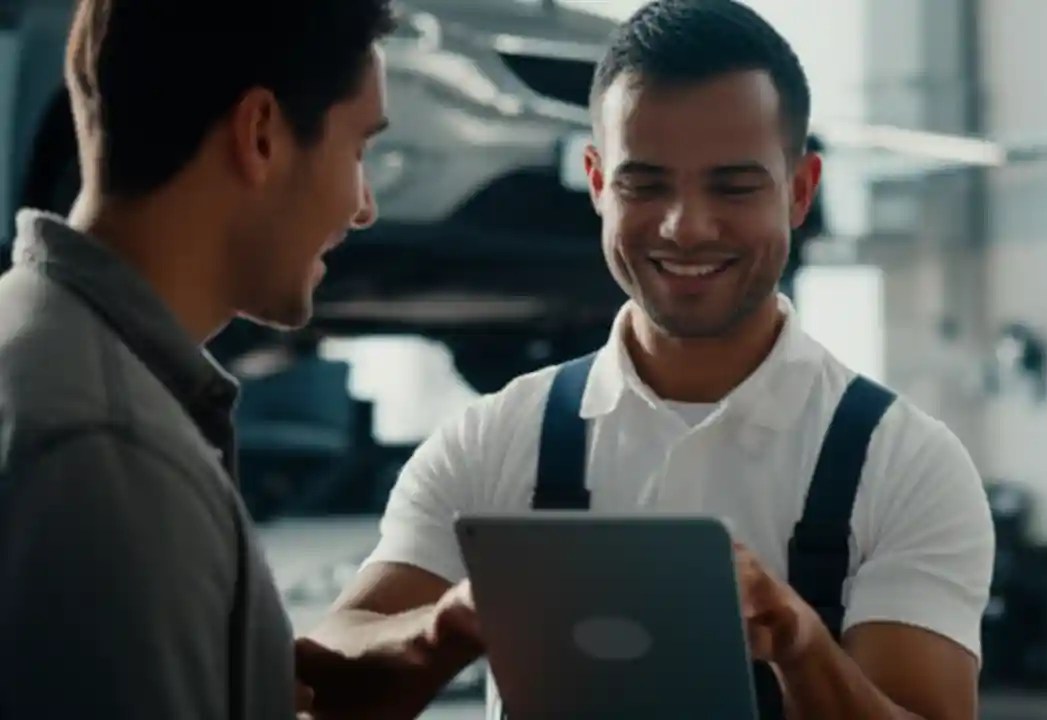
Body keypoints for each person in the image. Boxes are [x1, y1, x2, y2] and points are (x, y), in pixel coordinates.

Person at [309, 0, 995, 718]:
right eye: (645, 185)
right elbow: (322, 680)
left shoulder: (904, 465)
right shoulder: (495, 441)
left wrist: (799, 642)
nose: (685, 226)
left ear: (799, 191)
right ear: (597, 183)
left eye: (733, 186)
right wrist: (450, 622)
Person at [0, 1, 480, 718]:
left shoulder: (47, 353)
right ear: (260, 135)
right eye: (358, 150)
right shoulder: (109, 453)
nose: (363, 207)